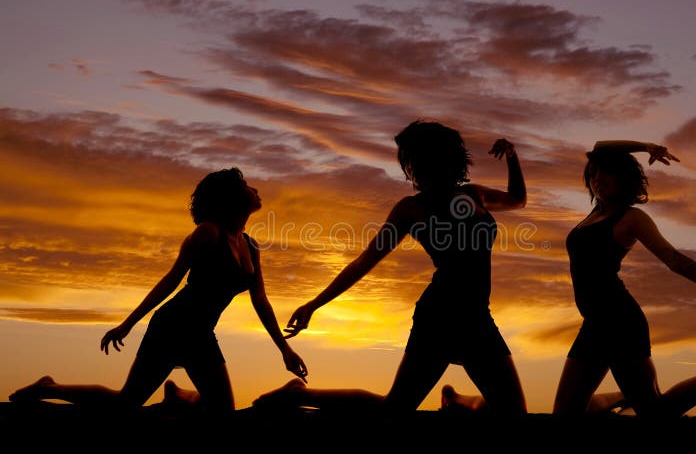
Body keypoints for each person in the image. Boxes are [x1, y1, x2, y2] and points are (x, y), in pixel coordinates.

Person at [440, 141, 696, 419]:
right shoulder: (596, 212)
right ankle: (617, 396)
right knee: (565, 415)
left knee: (654, 412)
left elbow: (675, 261)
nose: (600, 179)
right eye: (596, 174)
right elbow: (599, 148)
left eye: (608, 173)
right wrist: (645, 146)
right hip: (594, 324)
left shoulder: (631, 218)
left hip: (619, 322)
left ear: (624, 179)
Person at [253, 119, 528, 418]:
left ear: (445, 157)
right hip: (439, 316)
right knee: (395, 407)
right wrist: (315, 303)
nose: (412, 168)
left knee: (513, 411)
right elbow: (364, 262)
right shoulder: (411, 208)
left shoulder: (474, 194)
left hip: (476, 315)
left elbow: (517, 200)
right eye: (409, 162)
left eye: (416, 158)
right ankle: (298, 394)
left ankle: (458, 401)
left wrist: (512, 157)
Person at [9, 168, 307, 414]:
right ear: (229, 198)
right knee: (126, 402)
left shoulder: (251, 245)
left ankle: (179, 397)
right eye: (245, 185)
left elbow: (261, 301)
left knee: (223, 410)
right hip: (173, 326)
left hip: (202, 333)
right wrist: (128, 324)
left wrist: (285, 349)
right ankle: (48, 388)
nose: (254, 188)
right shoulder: (208, 233)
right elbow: (171, 280)